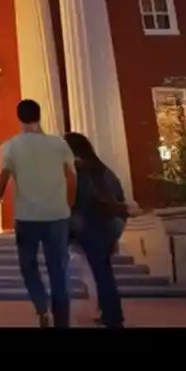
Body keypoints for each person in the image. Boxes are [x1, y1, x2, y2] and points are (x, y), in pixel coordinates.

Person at [0, 99, 76, 328]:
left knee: (28, 266)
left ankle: (41, 306)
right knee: (58, 269)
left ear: (19, 118)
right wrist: (70, 205)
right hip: (57, 214)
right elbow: (71, 177)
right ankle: (63, 321)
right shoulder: (59, 145)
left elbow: (1, 182)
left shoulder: (10, 146)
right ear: (39, 116)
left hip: (27, 216)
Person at [65, 132, 128, 329]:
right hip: (109, 224)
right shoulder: (102, 169)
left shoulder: (77, 170)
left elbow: (76, 199)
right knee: (103, 272)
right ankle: (112, 315)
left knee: (94, 272)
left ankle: (108, 315)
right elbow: (119, 196)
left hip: (87, 225)